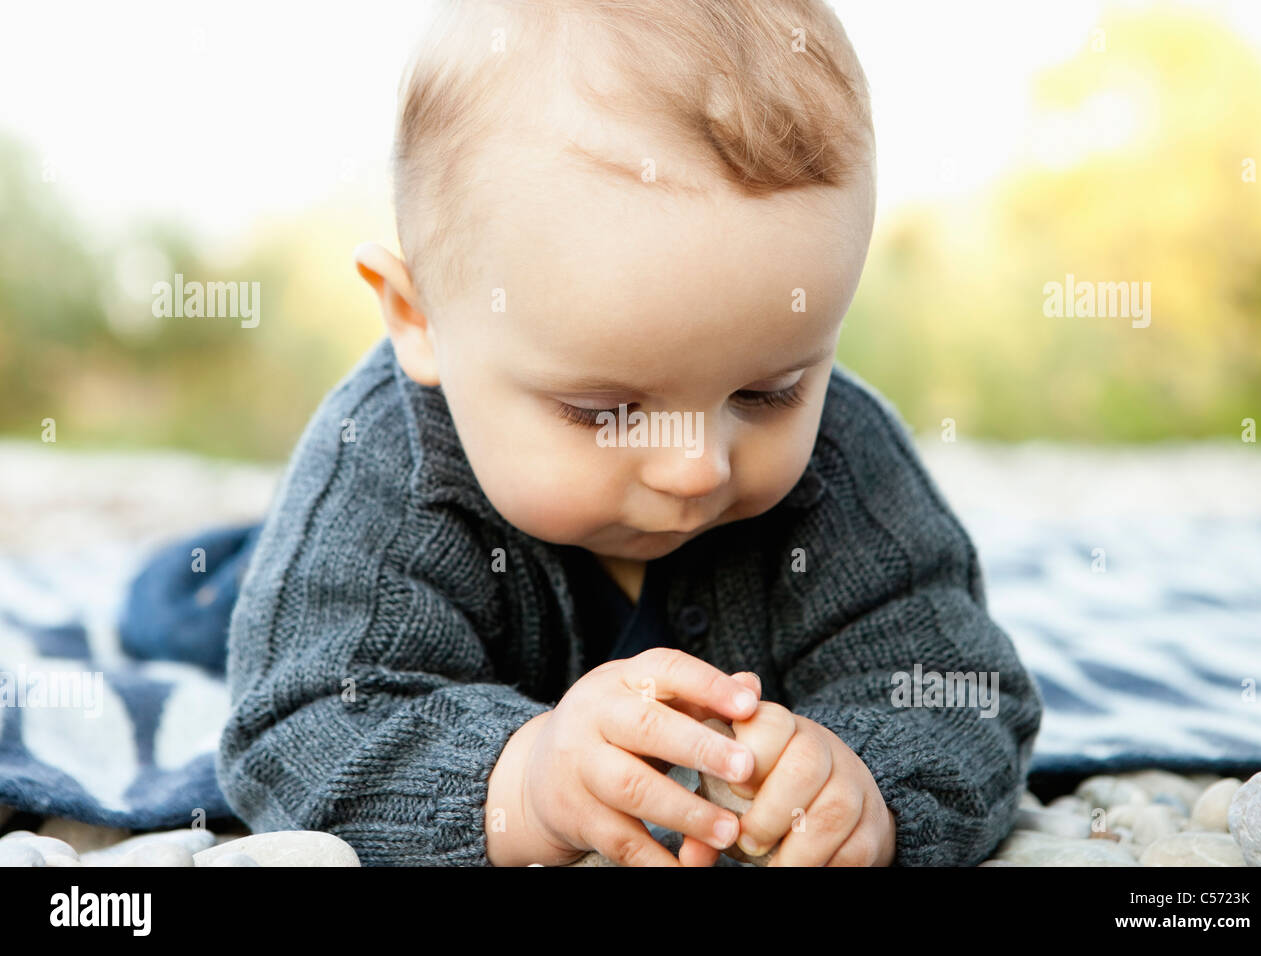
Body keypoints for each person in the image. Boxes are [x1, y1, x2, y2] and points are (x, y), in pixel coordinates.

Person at [216, 0, 1043, 866]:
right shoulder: (381, 466)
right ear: (418, 318)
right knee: (215, 602)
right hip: (316, 581)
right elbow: (296, 722)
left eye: (767, 392)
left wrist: (864, 785)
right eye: (603, 410)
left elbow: (962, 689)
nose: (696, 467)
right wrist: (522, 779)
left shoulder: (845, 462)